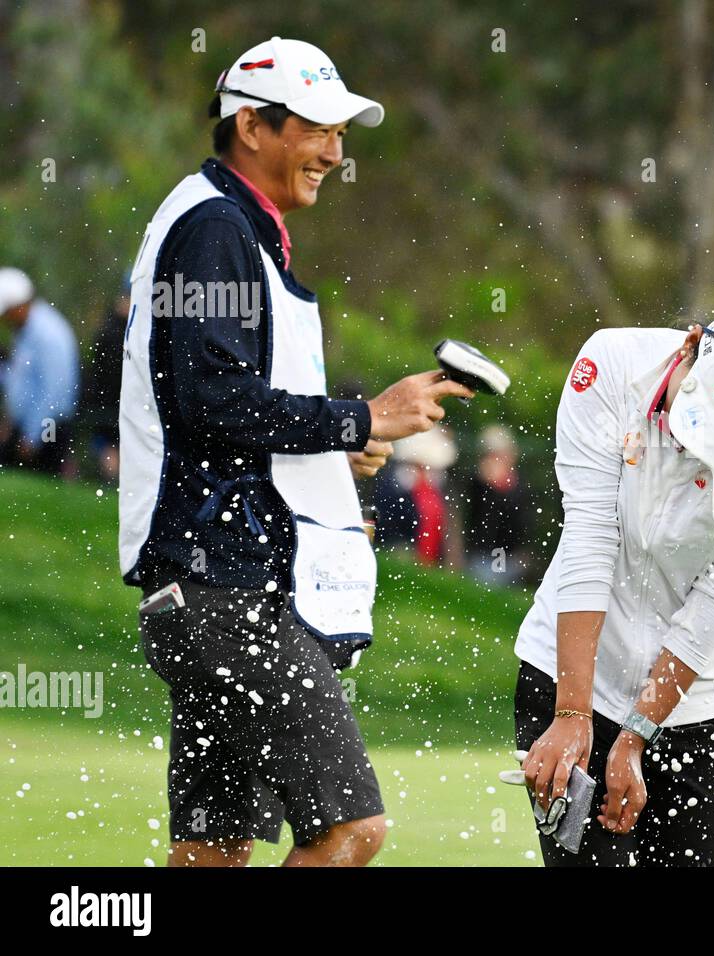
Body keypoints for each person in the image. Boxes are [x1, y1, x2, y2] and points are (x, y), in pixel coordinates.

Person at [120, 37, 473, 867]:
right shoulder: (216, 227)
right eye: (316, 129)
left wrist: (328, 454)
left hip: (203, 590)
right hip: (224, 593)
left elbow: (213, 412)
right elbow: (209, 397)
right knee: (351, 831)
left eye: (340, 133)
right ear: (251, 125)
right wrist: (362, 419)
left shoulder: (232, 222)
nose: (335, 152)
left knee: (213, 849)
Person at [513, 248, 714, 866]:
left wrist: (636, 735)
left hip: (706, 700)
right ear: (690, 348)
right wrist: (574, 714)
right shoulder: (609, 363)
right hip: (574, 677)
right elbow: (590, 540)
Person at [0, 267, 79, 476]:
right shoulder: (26, 331)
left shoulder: (48, 334)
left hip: (49, 428)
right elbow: (19, 379)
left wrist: (34, 436)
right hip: (30, 428)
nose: (5, 319)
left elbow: (53, 393)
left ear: (19, 305)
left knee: (47, 484)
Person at [373, 425, 463, 566]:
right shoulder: (397, 480)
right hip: (401, 547)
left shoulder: (439, 483)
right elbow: (387, 514)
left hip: (433, 554)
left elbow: (448, 520)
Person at [464, 425, 532, 585]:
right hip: (484, 555)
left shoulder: (519, 483)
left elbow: (522, 520)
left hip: (511, 555)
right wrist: (490, 485)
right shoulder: (478, 484)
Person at [82, 272, 132, 483]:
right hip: (112, 405)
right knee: (111, 451)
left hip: (119, 404)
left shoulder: (116, 327)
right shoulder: (114, 331)